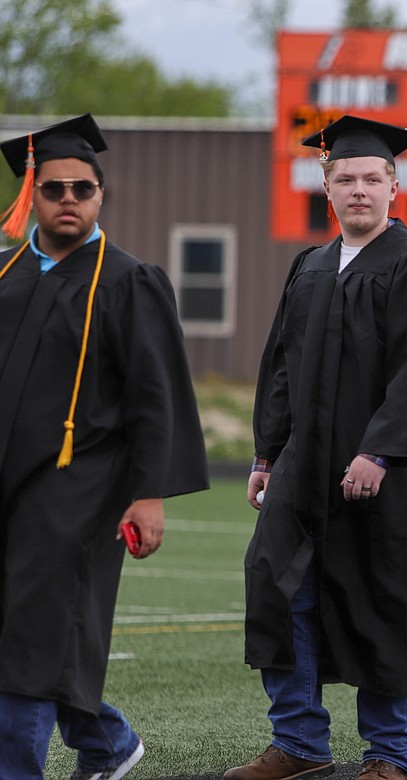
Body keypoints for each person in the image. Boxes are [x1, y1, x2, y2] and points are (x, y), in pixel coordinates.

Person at [227, 115, 407, 780]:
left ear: (395, 188)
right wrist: (265, 453)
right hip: (304, 467)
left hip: (389, 476)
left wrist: (381, 452)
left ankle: (388, 755)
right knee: (277, 585)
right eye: (346, 179)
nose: (360, 189)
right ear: (327, 189)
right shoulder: (309, 268)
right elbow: (281, 366)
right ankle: (300, 743)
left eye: (373, 178)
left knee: (387, 601)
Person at [0, 114, 208, 779]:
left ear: (100, 196)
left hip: (83, 486)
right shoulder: (4, 271)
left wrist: (149, 495)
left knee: (33, 633)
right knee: (31, 632)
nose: (68, 199)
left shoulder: (127, 281)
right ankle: (108, 741)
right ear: (33, 191)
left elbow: (158, 397)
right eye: (55, 187)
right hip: (9, 479)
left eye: (82, 189)